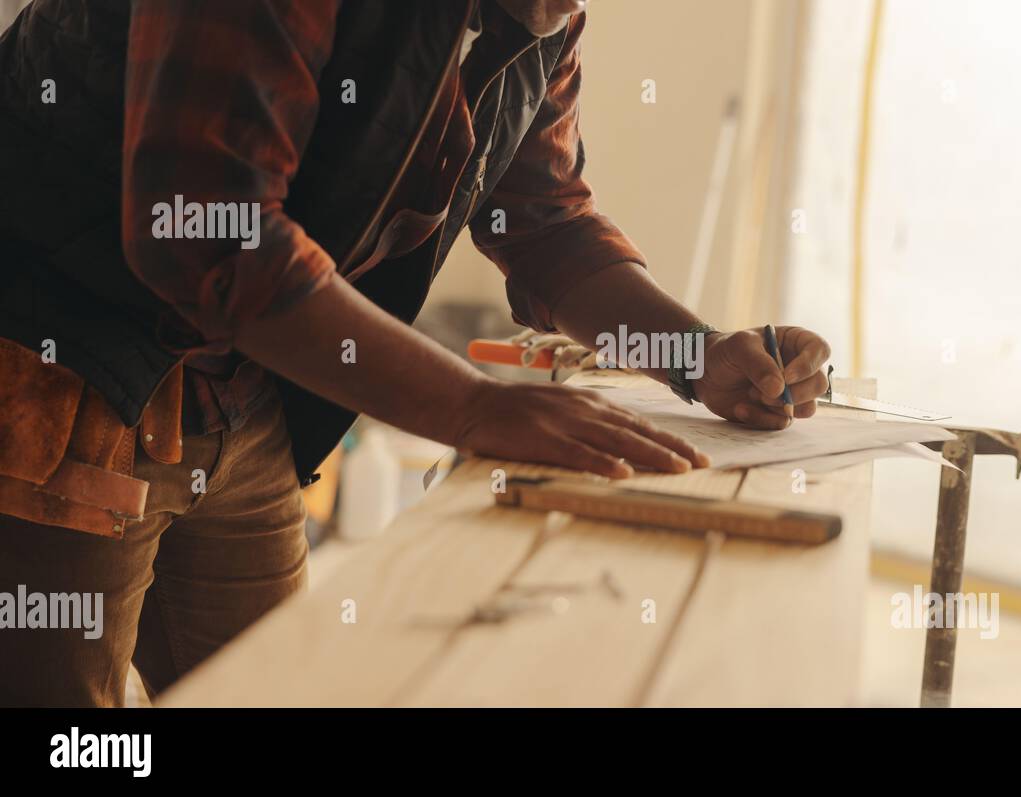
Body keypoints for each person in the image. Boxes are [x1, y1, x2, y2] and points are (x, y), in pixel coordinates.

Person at [0, 0, 830, 706]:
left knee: (281, 688)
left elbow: (542, 221)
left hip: (239, 383)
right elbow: (211, 230)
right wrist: (472, 406)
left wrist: (697, 352)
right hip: (55, 373)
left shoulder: (539, 21)